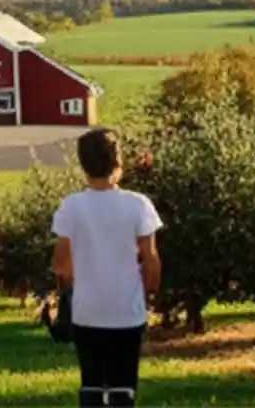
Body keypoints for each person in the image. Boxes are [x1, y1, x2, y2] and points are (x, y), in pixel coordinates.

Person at [51, 128, 162, 407]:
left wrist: (76, 283)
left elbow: (61, 264)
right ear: (118, 161)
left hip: (87, 311)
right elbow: (150, 260)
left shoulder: (71, 207)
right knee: (123, 385)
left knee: (91, 384)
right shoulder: (139, 205)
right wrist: (149, 294)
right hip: (127, 311)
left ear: (83, 164)